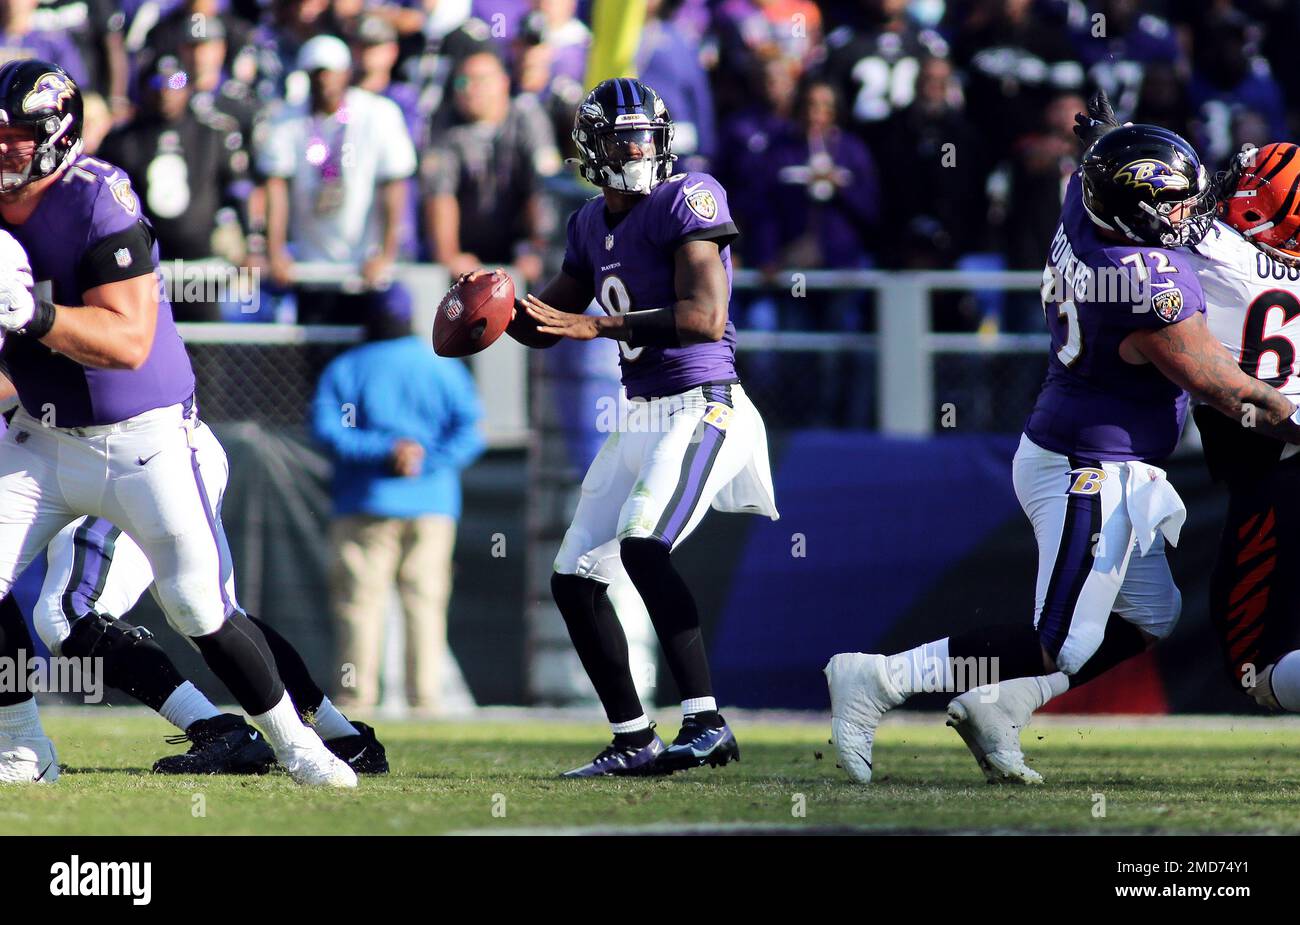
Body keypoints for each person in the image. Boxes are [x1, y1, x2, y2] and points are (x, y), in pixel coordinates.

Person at [825, 119, 1300, 784]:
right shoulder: (1145, 280)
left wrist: (1115, 143)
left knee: (1152, 613)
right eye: (1174, 205)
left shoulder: (1084, 197)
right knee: (1061, 641)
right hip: (1088, 464)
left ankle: (997, 705)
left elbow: (1103, 174)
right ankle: (880, 677)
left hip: (1086, 446)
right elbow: (1223, 387)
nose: (1192, 216)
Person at [0, 60, 354, 787]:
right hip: (41, 436)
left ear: (56, 136)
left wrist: (31, 314)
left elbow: (127, 343)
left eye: (17, 135)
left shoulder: (97, 197)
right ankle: (24, 745)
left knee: (199, 605)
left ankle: (302, 744)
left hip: (146, 439)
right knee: (54, 611)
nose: (4, 147)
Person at [501, 78, 779, 777]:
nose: (637, 150)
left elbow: (704, 316)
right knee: (573, 577)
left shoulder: (690, 196)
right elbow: (548, 318)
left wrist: (596, 323)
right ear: (592, 149)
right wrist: (495, 308)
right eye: (624, 139)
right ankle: (633, 736)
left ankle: (707, 723)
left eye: (646, 138)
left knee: (644, 546)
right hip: (643, 415)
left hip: (705, 403)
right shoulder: (588, 223)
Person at [312, 288, 484, 714]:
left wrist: (384, 452)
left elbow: (327, 430)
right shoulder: (441, 366)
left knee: (360, 606)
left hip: (365, 502)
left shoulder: (347, 367)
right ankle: (424, 702)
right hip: (431, 504)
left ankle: (357, 701)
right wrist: (424, 461)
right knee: (424, 606)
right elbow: (471, 433)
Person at [259, 34, 416, 323]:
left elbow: (394, 185)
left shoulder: (377, 113)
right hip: (310, 264)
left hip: (363, 265)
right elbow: (276, 186)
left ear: (346, 73)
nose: (324, 81)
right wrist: (276, 250)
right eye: (317, 73)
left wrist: (386, 252)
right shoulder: (287, 118)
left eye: (331, 72)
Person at [422, 49, 557, 286]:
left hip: (520, 251)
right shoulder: (443, 123)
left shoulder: (527, 119)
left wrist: (536, 249)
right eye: (463, 81)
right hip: (466, 257)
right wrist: (450, 255)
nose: (469, 88)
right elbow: (439, 195)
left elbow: (542, 189)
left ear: (503, 82)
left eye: (481, 80)